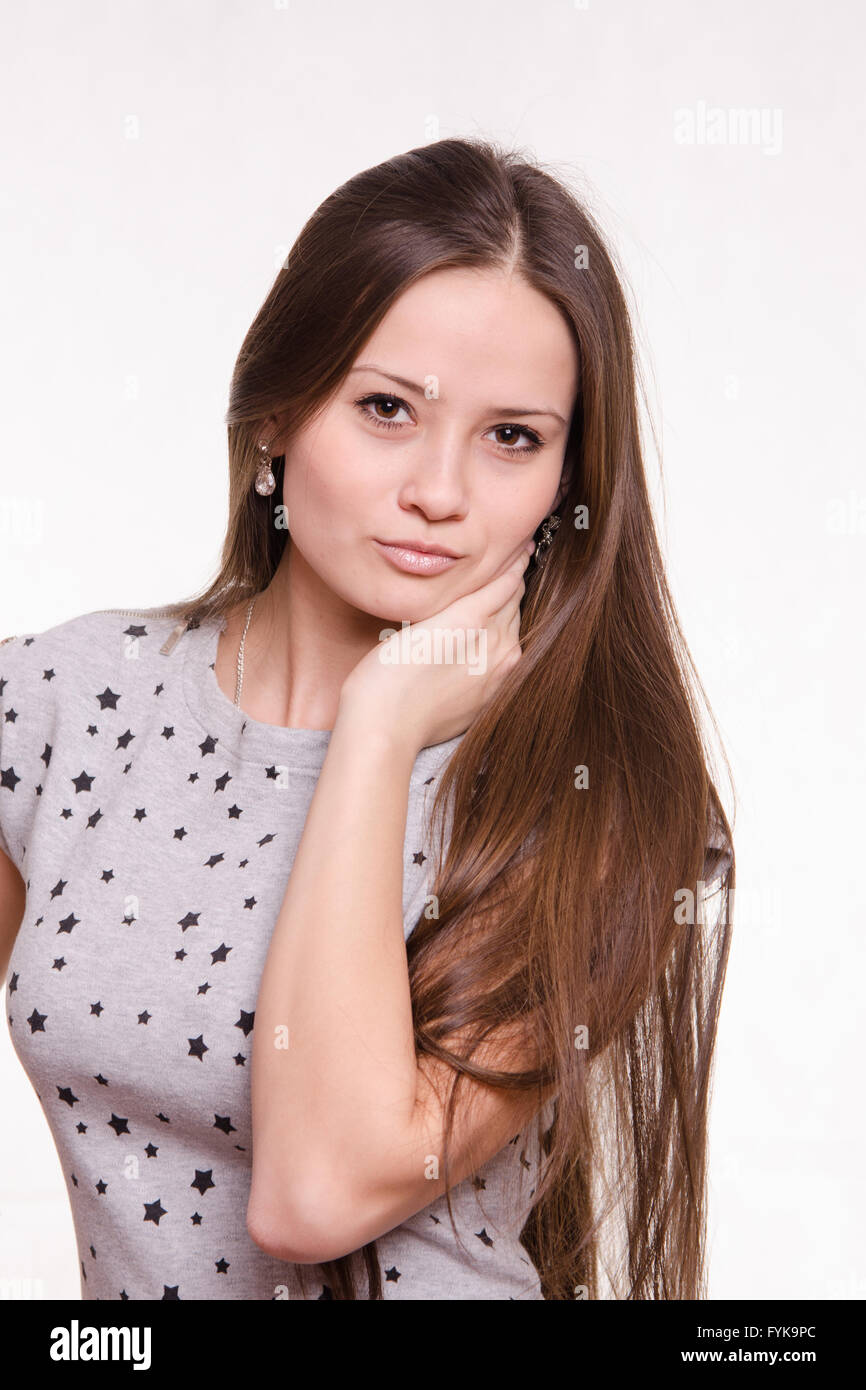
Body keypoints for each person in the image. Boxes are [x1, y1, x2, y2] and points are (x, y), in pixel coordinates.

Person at [0, 135, 734, 1301]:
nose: (438, 493)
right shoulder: (58, 706)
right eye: (386, 407)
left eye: (511, 437)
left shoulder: (599, 797)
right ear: (278, 413)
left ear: (565, 478)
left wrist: (379, 728)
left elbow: (315, 1193)